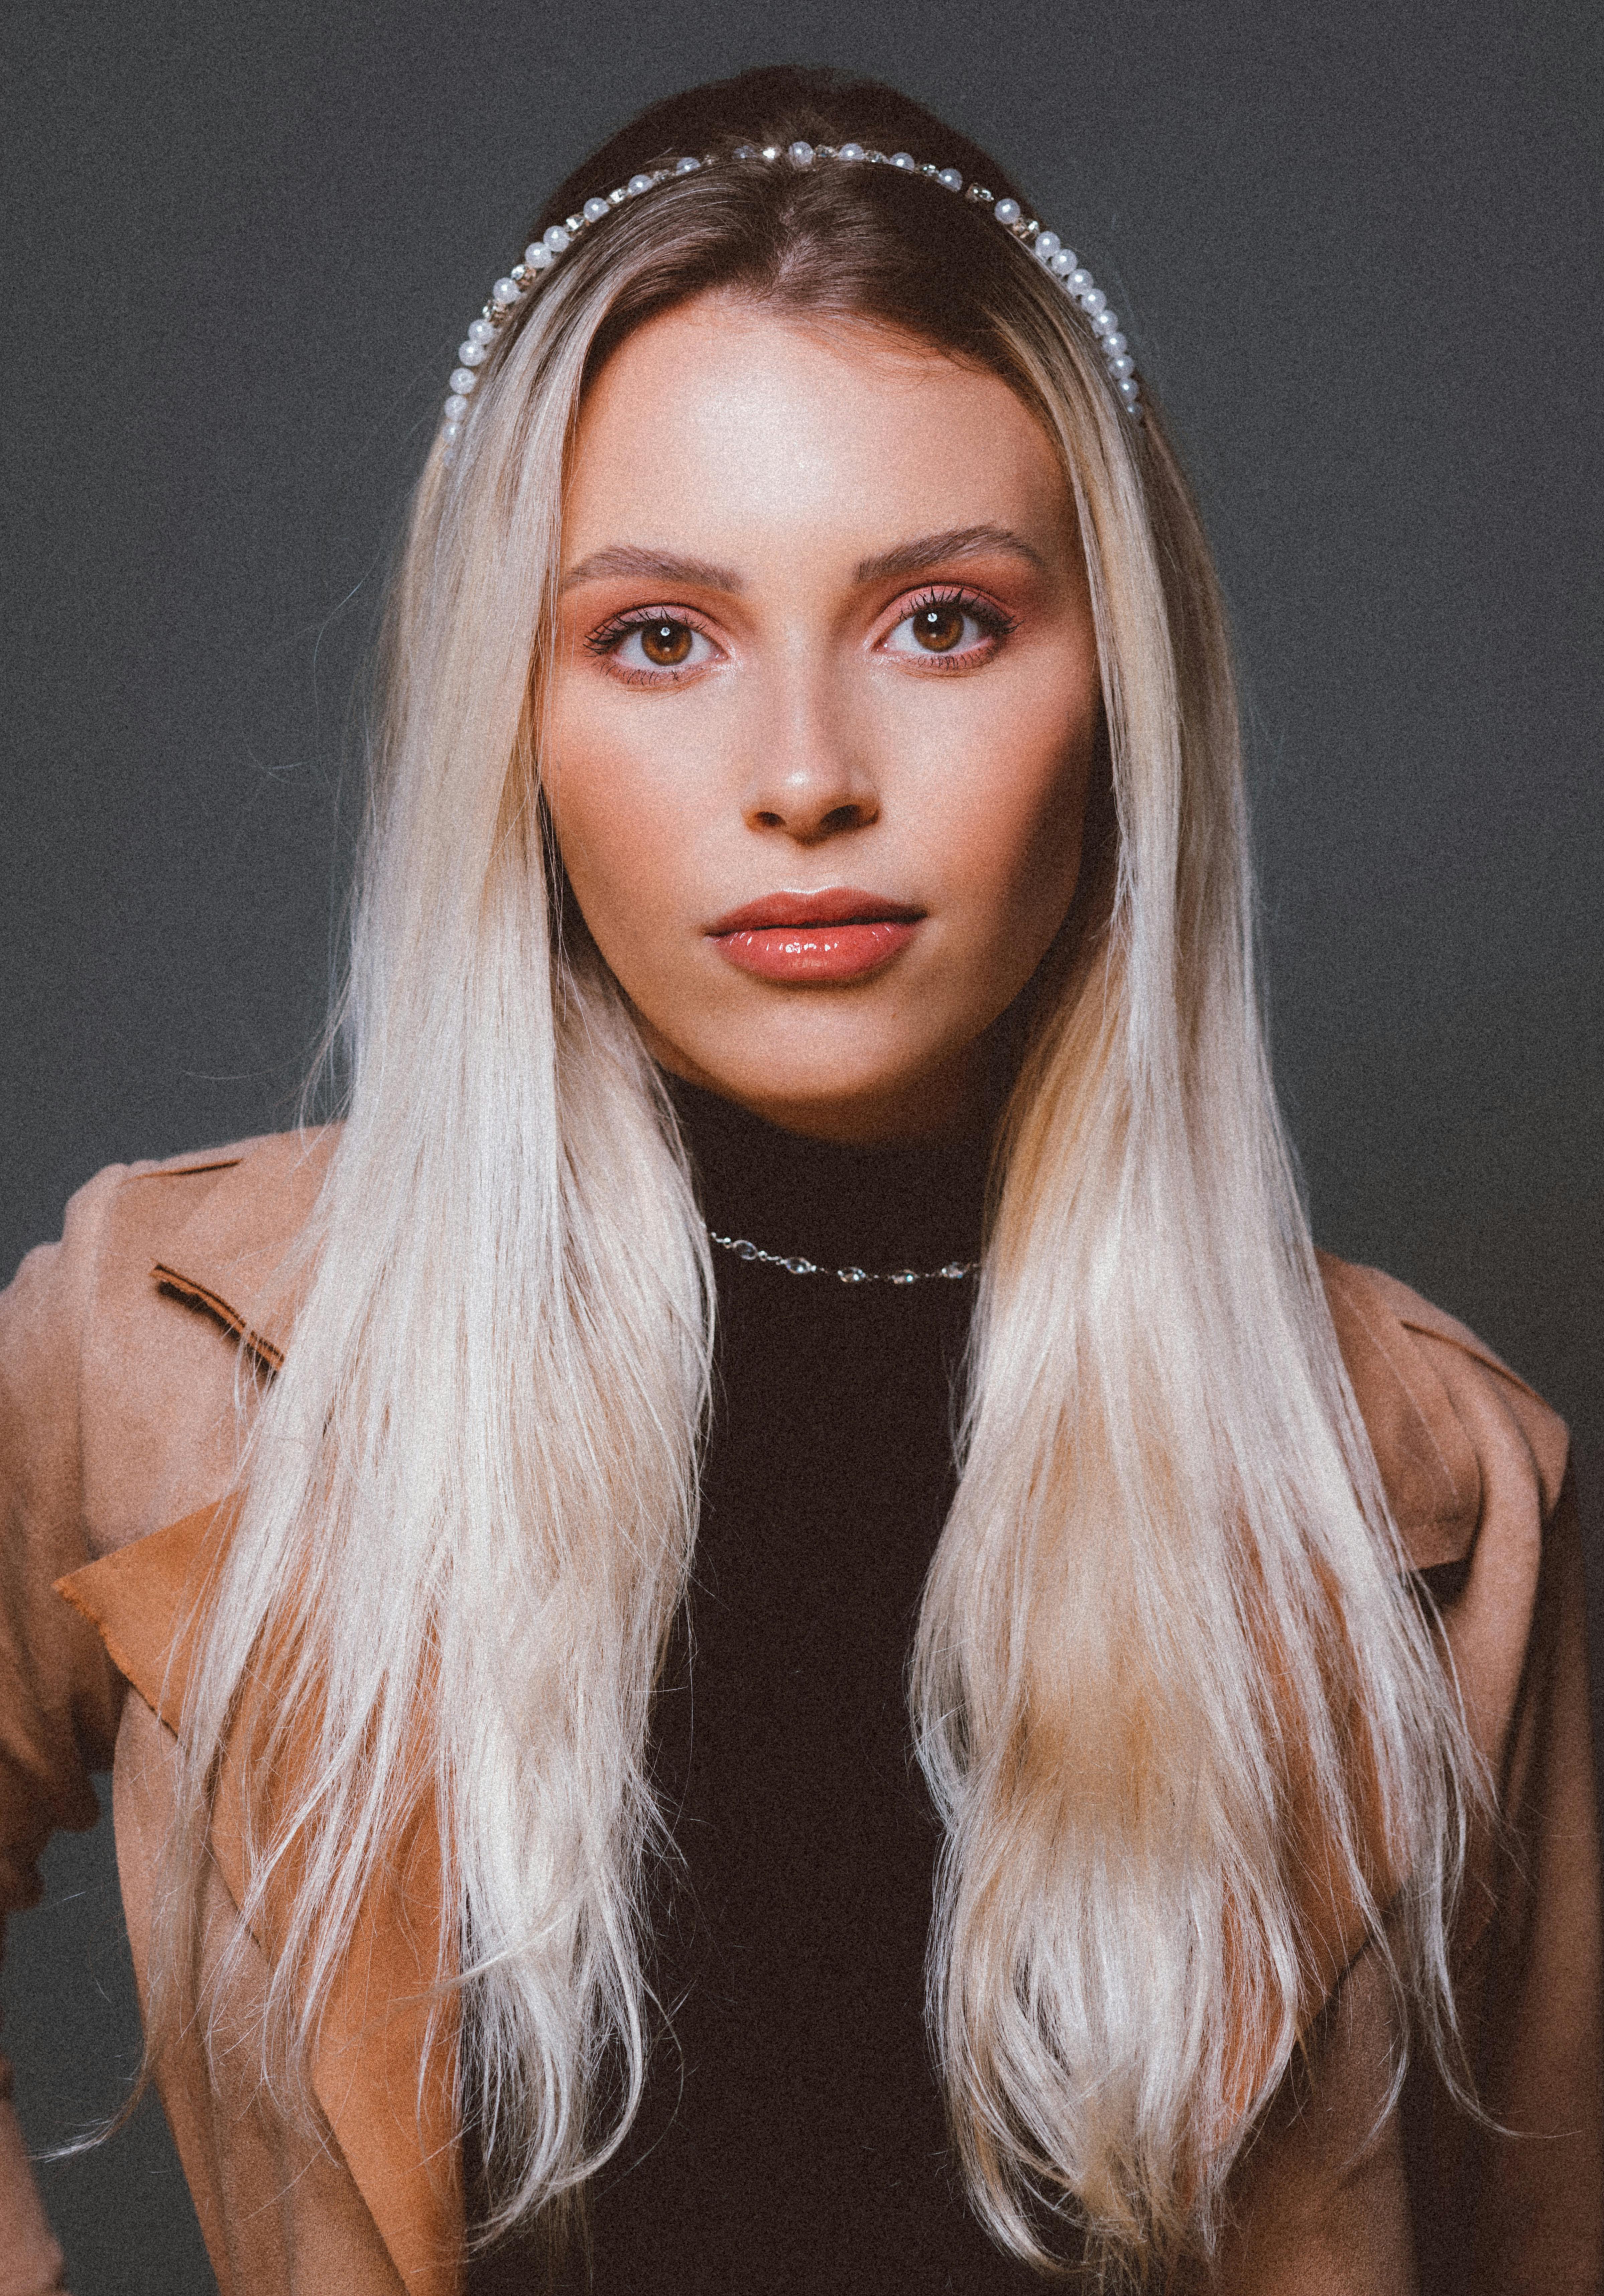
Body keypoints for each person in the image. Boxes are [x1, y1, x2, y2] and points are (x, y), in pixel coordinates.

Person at [0, 64, 1597, 2296]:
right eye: (659, 635)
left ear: (1117, 682)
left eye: (942, 617)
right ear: (514, 707)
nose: (806, 778)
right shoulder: (159, 1343)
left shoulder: (1436, 1491)